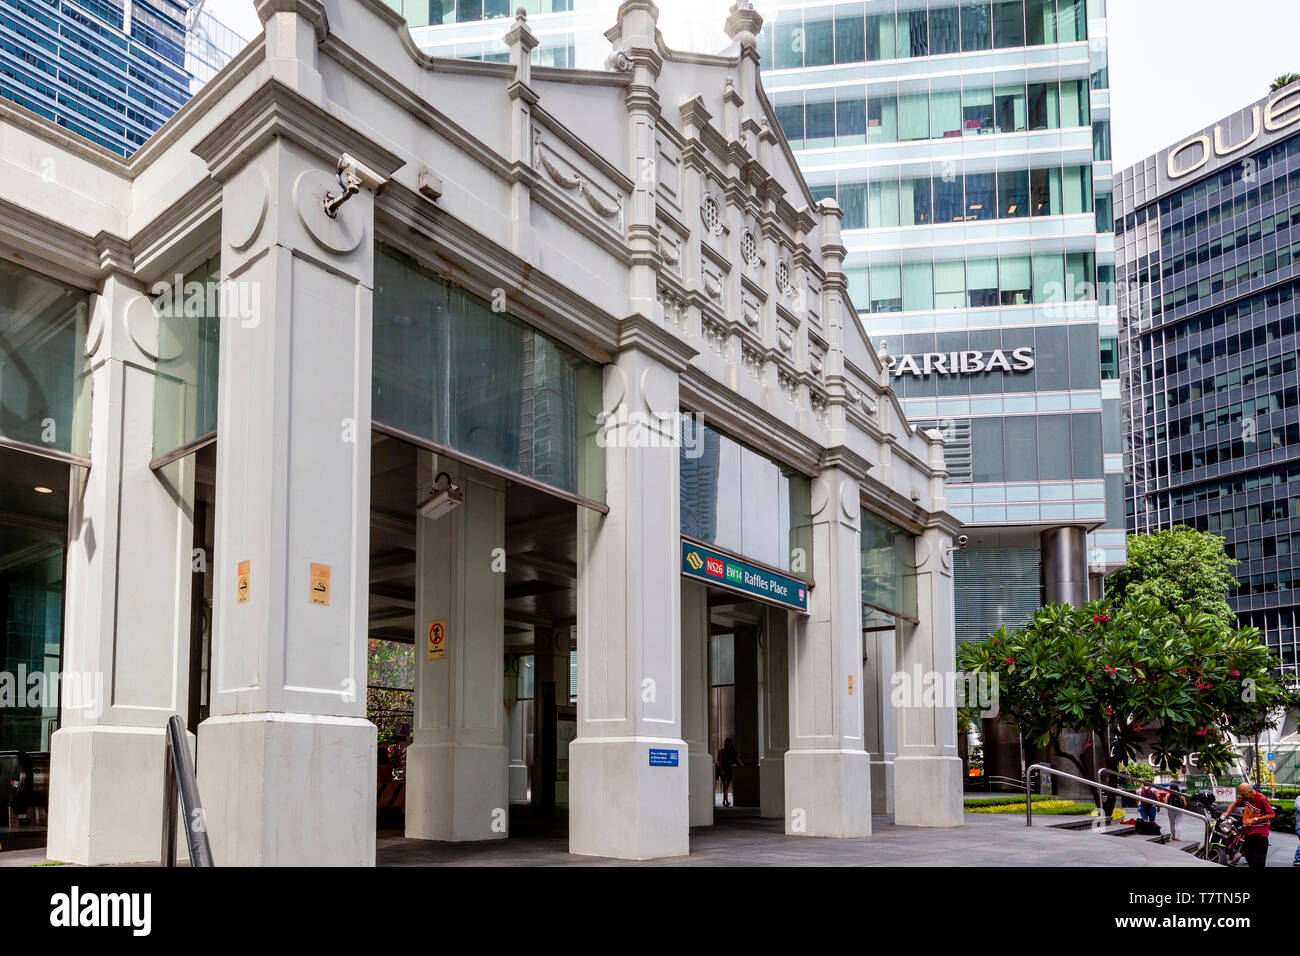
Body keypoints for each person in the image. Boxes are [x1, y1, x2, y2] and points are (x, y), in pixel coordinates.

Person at [1222, 781, 1275, 870]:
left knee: (1258, 860)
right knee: (1249, 857)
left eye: (1243, 794)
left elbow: (1271, 814)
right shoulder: (1246, 798)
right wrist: (1227, 813)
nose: (1242, 797)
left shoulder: (1261, 799)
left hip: (1260, 832)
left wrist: (1255, 819)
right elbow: (1234, 804)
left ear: (1250, 791)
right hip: (1249, 831)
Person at [716, 738, 743, 808]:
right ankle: (726, 801)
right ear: (725, 743)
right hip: (723, 770)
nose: (729, 744)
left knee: (726, 786)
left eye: (730, 743)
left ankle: (724, 800)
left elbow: (736, 757)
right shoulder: (721, 751)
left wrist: (741, 764)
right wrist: (721, 770)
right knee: (725, 784)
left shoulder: (732, 751)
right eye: (728, 742)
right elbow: (719, 762)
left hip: (729, 770)